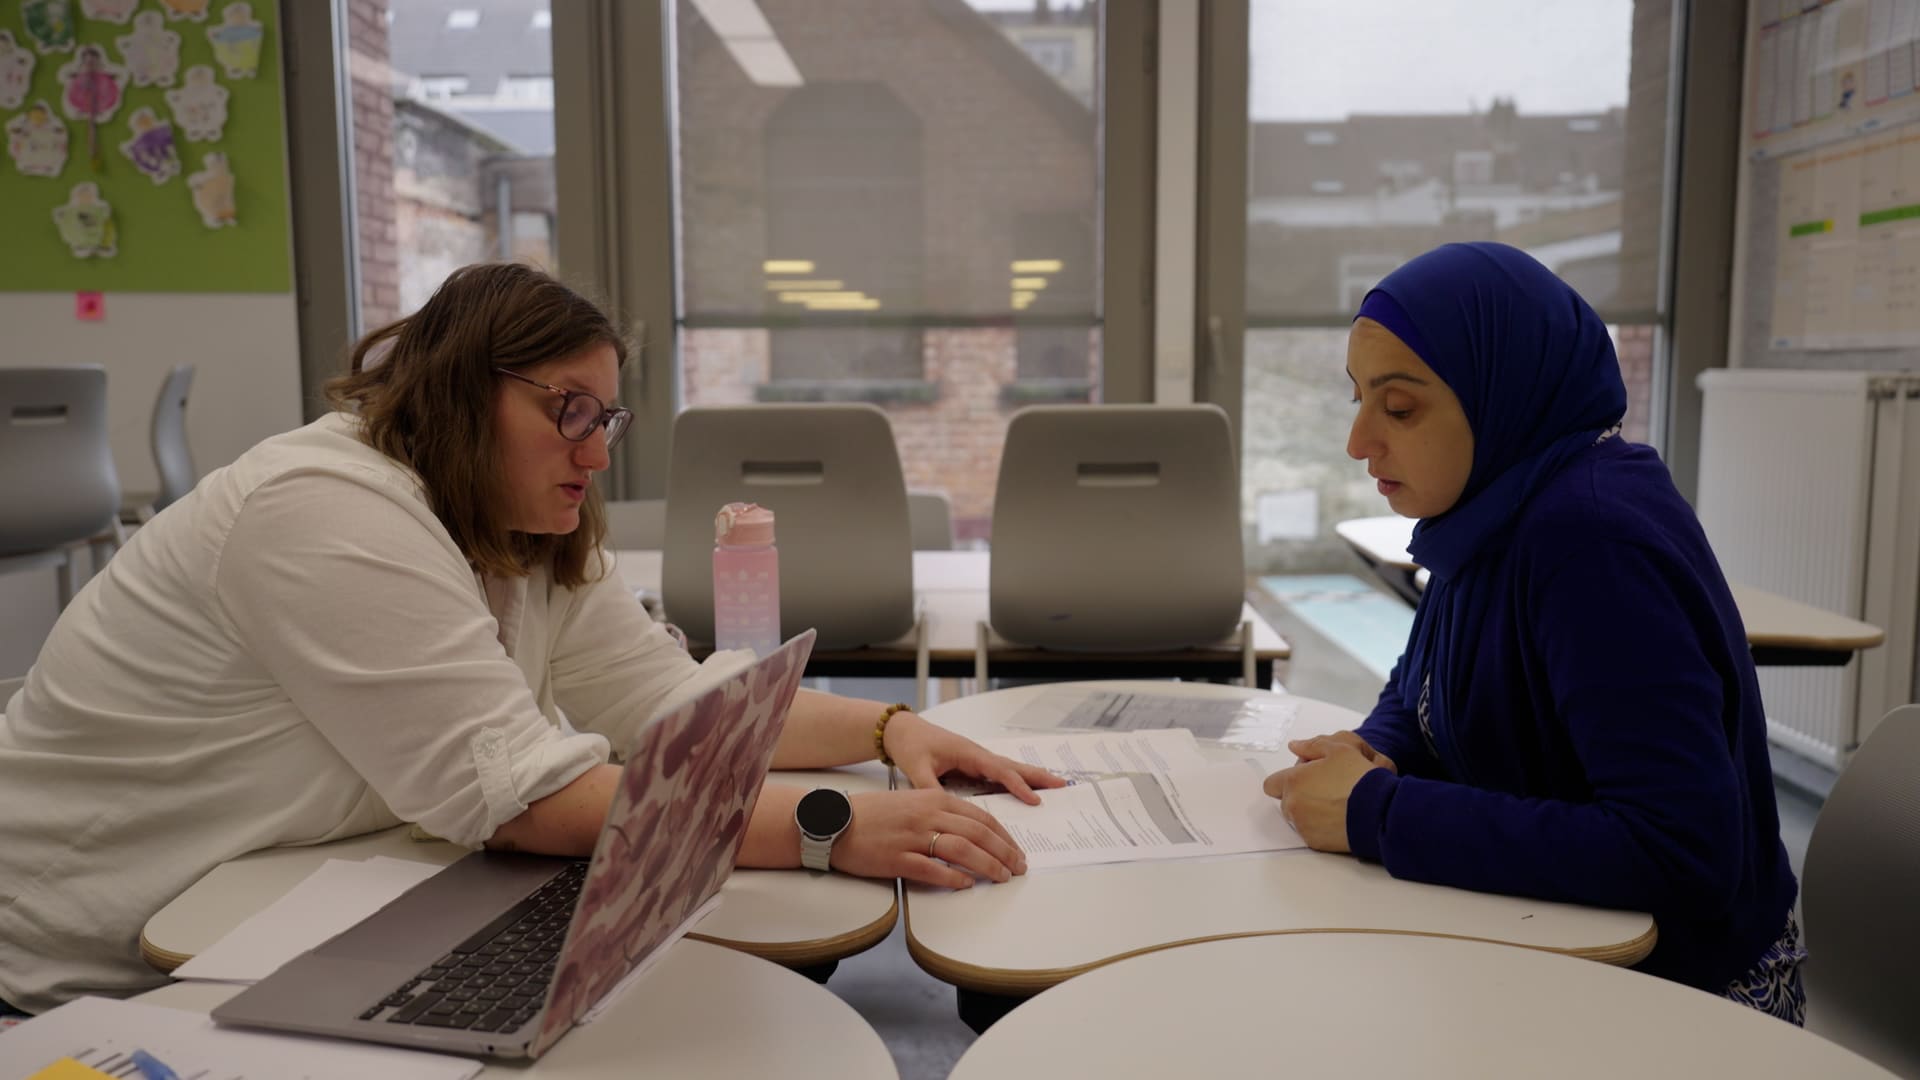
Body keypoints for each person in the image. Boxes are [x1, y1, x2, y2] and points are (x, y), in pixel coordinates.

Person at [0, 263, 1062, 1015]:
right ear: (462, 390)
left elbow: (672, 712)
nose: (596, 454)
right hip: (86, 974)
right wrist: (829, 827)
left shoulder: (518, 530)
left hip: (258, 917)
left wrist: (889, 731)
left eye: (606, 419)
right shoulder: (322, 508)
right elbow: (524, 802)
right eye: (570, 412)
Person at [1264, 243, 1803, 1022]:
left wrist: (1374, 813)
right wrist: (1374, 749)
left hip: (1693, 1000)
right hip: (1568, 956)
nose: (1359, 442)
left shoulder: (1591, 543)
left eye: (1401, 408)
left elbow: (1682, 851)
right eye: (1358, 400)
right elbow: (1419, 686)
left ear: (1499, 394)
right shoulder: (1490, 506)